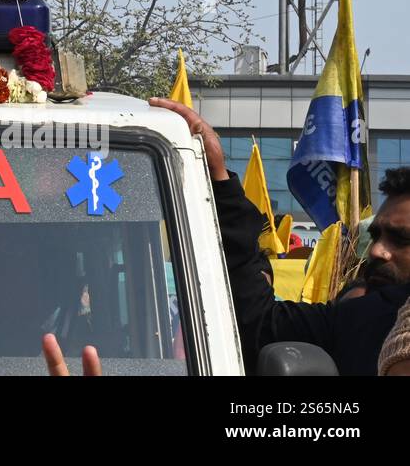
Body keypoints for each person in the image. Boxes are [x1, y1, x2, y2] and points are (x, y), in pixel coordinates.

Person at [149, 97, 410, 375]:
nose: (376, 251)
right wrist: (219, 177)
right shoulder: (365, 316)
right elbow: (261, 323)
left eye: (401, 238)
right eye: (376, 235)